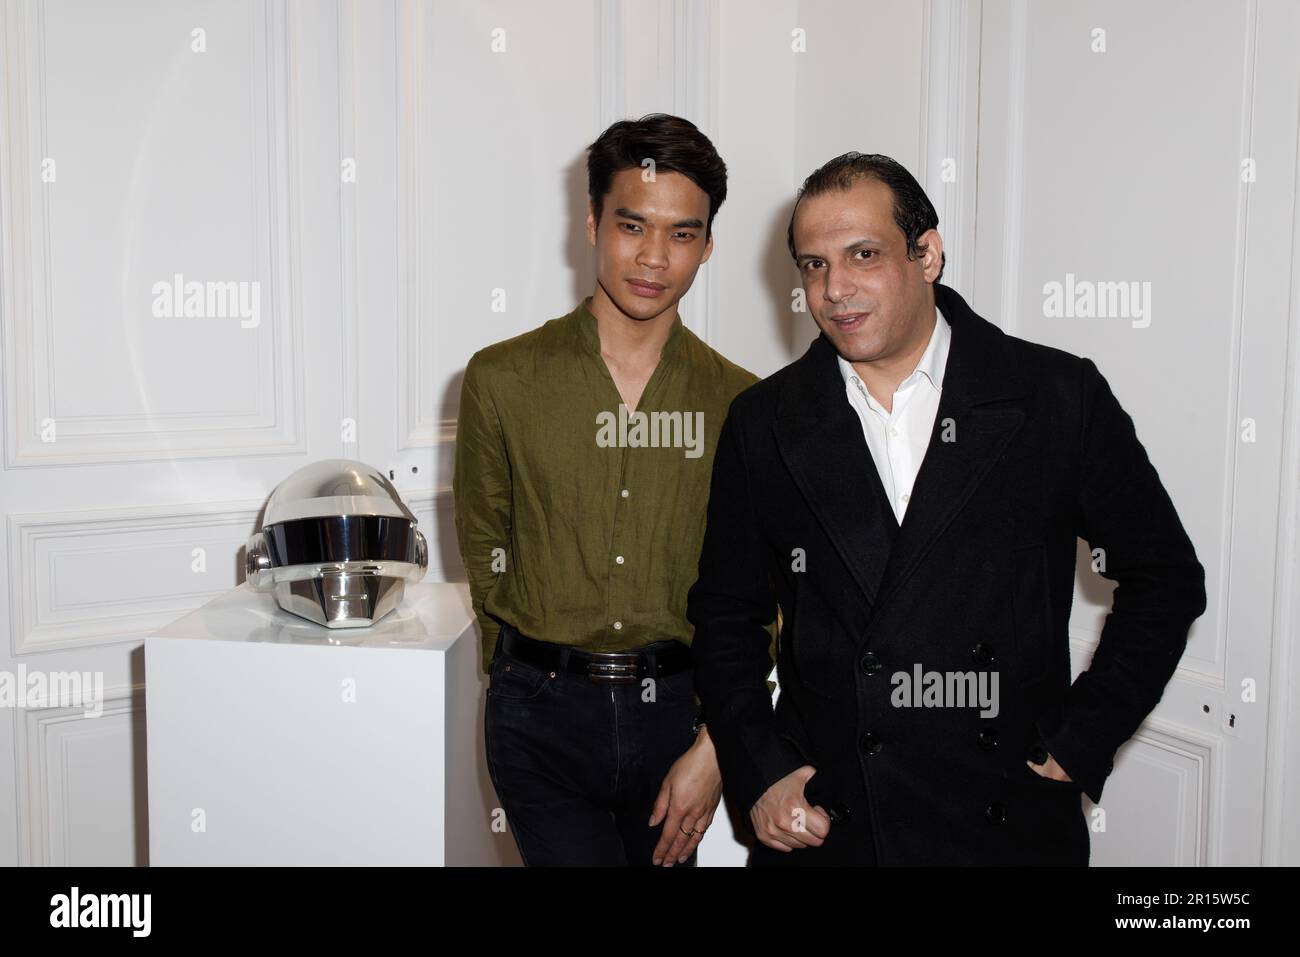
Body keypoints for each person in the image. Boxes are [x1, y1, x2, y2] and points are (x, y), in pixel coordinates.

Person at [687, 151, 1207, 865]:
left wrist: (1077, 743)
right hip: (833, 826)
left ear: (927, 252)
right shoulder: (764, 421)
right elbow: (724, 617)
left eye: (862, 254)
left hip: (1003, 822)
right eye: (813, 265)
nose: (834, 288)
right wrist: (761, 770)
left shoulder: (1056, 397)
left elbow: (1166, 579)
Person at [453, 113, 768, 866]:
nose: (654, 257)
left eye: (683, 234)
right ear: (592, 221)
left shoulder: (743, 404)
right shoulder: (501, 379)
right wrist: (517, 679)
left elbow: (761, 592)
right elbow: (485, 539)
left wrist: (720, 742)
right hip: (540, 718)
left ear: (708, 245)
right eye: (632, 224)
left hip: (682, 720)